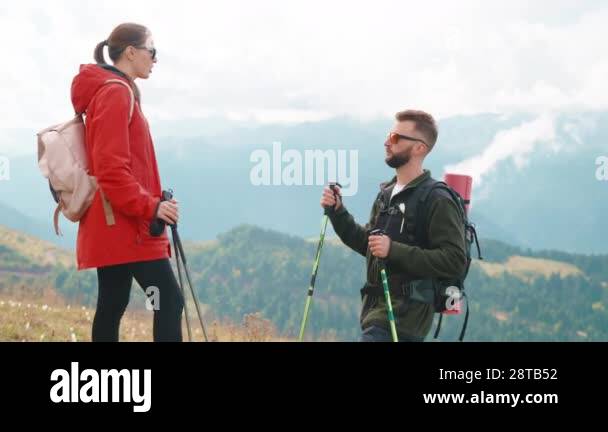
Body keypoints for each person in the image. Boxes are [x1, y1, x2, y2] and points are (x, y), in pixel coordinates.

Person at [71, 23, 183, 342]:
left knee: (113, 303)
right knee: (168, 301)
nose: (155, 59)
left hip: (115, 220)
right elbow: (111, 169)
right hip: (127, 225)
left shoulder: (115, 90)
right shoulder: (116, 93)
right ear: (131, 52)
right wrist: (153, 206)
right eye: (152, 51)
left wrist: (155, 201)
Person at [320, 110, 467, 342]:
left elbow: (455, 260)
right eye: (389, 135)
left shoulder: (437, 199)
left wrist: (393, 250)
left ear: (419, 148)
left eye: (396, 138)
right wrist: (338, 213)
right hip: (377, 314)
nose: (387, 142)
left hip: (406, 318)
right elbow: (369, 245)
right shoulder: (386, 194)